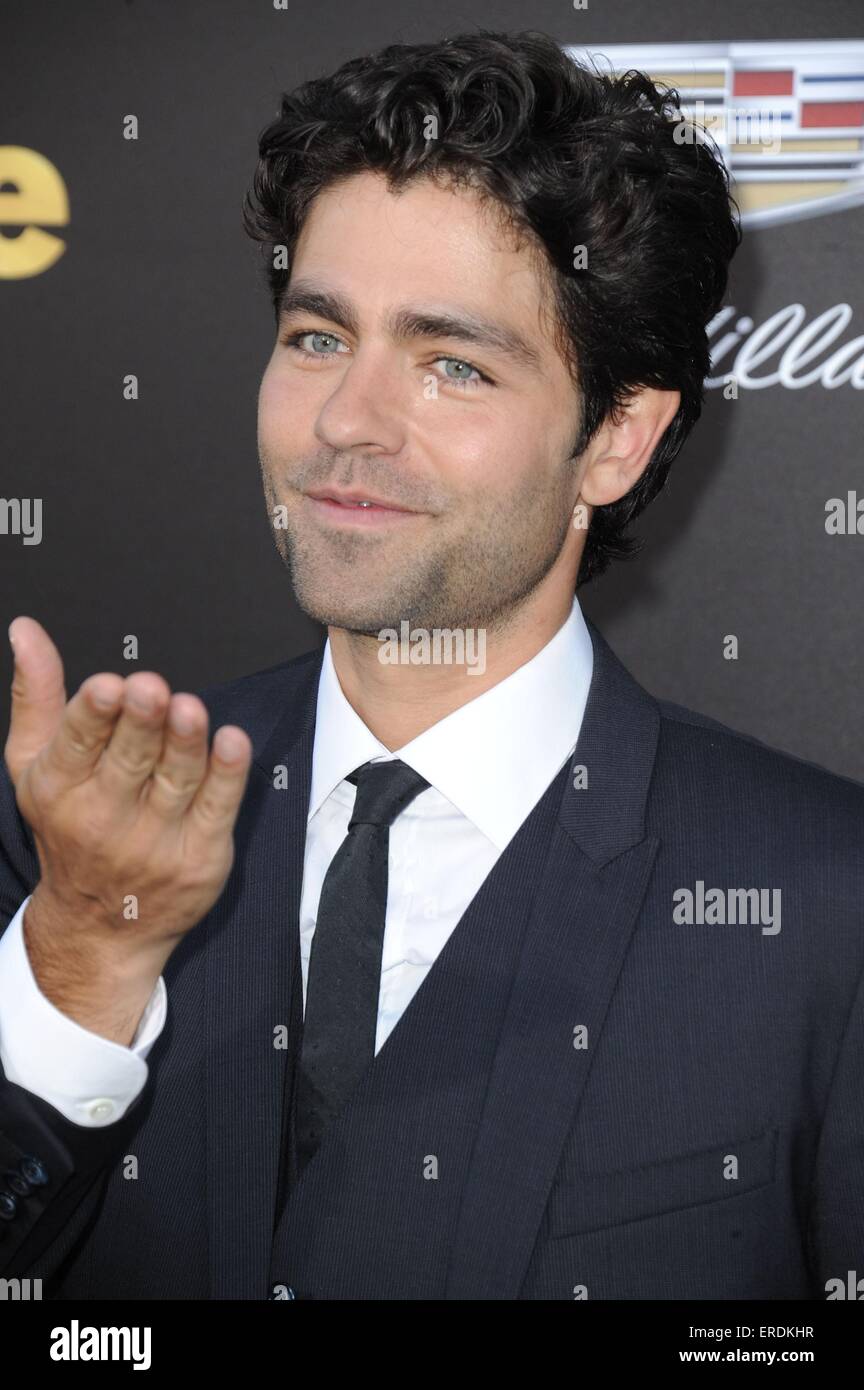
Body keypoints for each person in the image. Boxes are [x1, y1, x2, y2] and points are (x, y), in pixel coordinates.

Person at [1, 29, 861, 1301]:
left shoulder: (825, 908)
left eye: (452, 364)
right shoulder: (71, 839)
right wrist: (77, 960)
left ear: (615, 437)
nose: (348, 418)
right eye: (315, 337)